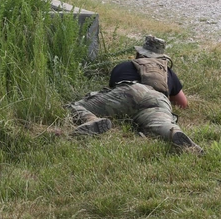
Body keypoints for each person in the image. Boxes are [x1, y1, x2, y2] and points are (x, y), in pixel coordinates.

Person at [67, 35, 203, 153]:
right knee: (160, 123)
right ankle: (172, 131)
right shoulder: (168, 73)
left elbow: (113, 87)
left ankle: (92, 119)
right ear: (162, 58)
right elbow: (183, 104)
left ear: (139, 54)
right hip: (157, 99)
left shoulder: (124, 66)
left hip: (129, 91)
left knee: (74, 106)